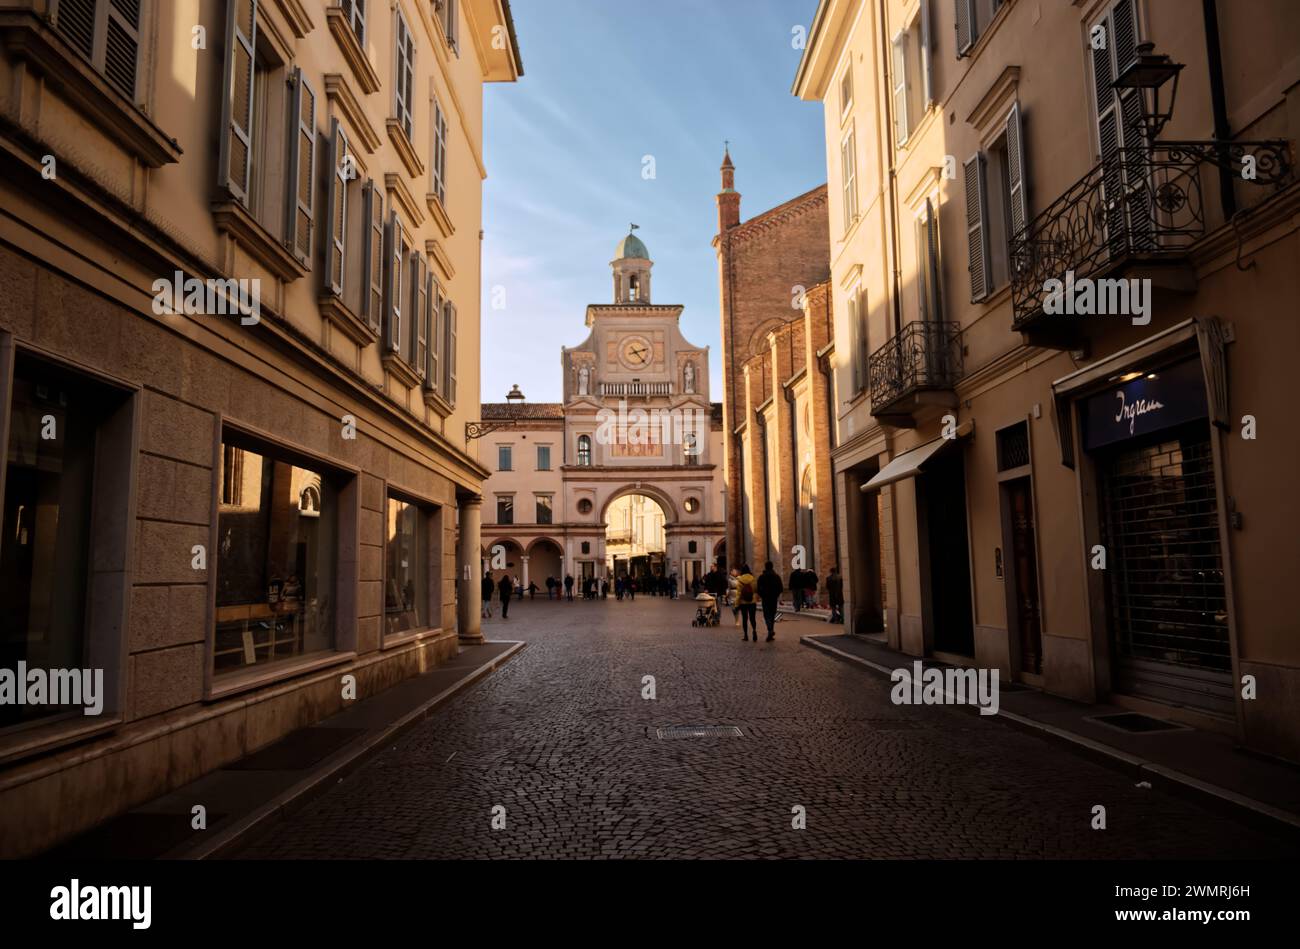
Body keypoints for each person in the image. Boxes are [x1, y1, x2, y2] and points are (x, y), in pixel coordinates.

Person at [757, 561, 783, 642]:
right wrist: (776, 594)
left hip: (765, 598)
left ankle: (770, 630)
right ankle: (771, 630)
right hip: (773, 598)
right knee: (772, 614)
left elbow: (758, 588)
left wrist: (762, 595)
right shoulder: (776, 576)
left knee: (766, 614)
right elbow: (780, 587)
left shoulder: (762, 577)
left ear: (765, 567)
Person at [735, 564, 758, 642]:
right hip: (752, 601)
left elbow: (738, 594)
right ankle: (754, 631)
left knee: (745, 619)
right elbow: (755, 590)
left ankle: (746, 635)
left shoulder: (740, 580)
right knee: (752, 618)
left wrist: (736, 604)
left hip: (743, 602)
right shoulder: (753, 579)